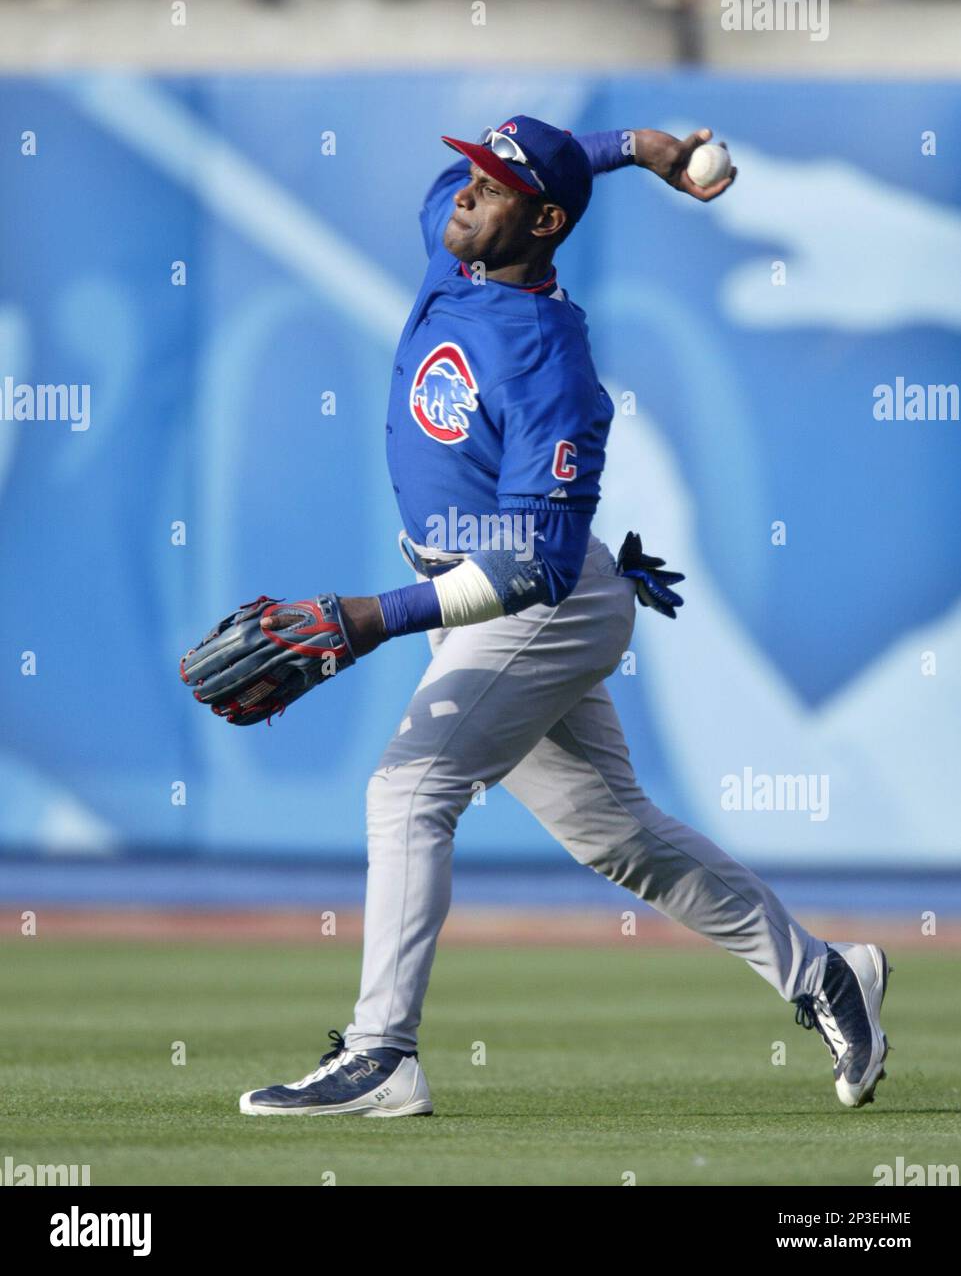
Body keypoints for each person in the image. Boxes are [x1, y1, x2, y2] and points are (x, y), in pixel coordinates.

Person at [226, 117, 889, 1117]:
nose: (464, 190)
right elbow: (539, 164)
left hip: (538, 600)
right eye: (472, 171)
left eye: (492, 186)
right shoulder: (458, 237)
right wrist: (633, 145)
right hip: (483, 595)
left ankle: (382, 1054)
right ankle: (827, 976)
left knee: (408, 791)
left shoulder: (550, 364)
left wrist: (376, 617)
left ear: (541, 221)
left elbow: (531, 567)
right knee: (616, 834)